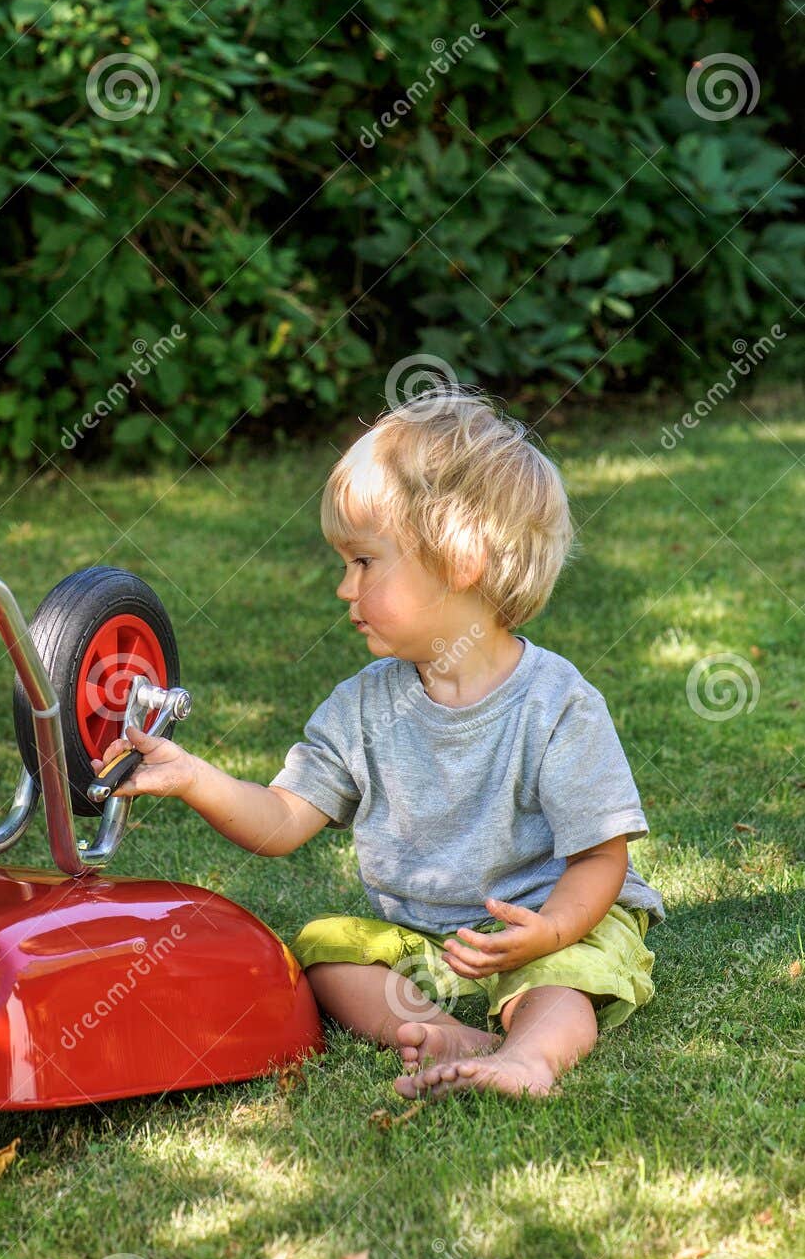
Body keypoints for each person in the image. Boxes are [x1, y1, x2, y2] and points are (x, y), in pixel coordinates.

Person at [90, 386, 664, 1099]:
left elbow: (600, 857)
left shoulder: (556, 704)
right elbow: (281, 820)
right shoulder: (363, 706)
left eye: (363, 562)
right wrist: (193, 777)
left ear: (460, 560)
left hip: (553, 920)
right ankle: (448, 1035)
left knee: (564, 978)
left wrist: (546, 933)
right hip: (427, 942)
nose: (343, 587)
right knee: (326, 953)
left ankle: (528, 1060)